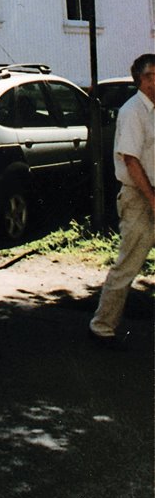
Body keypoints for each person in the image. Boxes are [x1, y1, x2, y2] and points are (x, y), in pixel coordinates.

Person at [88, 53, 155, 350]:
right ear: (140, 79)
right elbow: (131, 160)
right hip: (139, 197)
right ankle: (102, 326)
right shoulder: (133, 111)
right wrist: (152, 200)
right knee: (129, 263)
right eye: (151, 76)